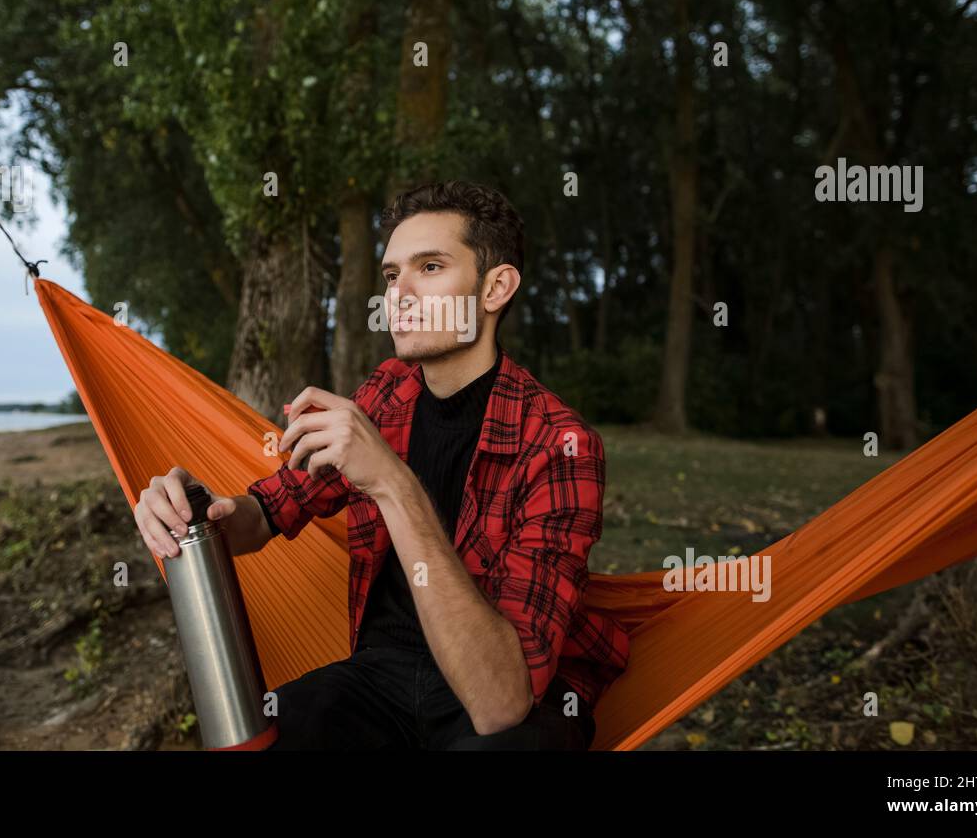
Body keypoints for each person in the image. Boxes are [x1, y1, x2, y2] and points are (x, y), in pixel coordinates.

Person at [135, 180, 629, 750]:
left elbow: (499, 702)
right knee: (272, 729)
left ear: (496, 287)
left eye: (432, 267)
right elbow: (263, 514)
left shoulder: (560, 445)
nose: (400, 294)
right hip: (382, 678)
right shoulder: (385, 395)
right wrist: (198, 511)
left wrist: (391, 481)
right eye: (393, 275)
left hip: (510, 699)